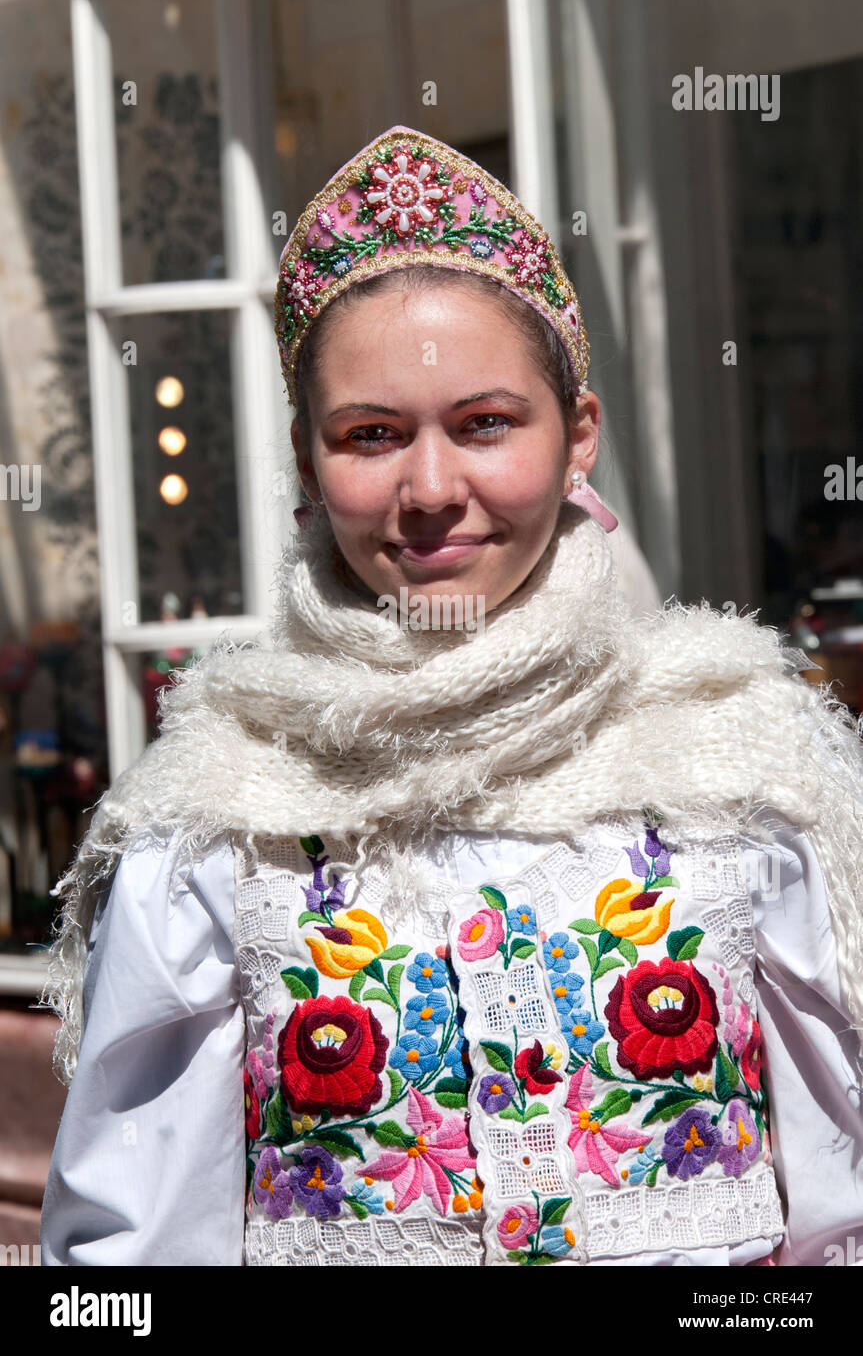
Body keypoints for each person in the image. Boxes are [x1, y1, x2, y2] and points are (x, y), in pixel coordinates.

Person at [39, 124, 863, 1267]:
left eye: (484, 423)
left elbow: (839, 1217)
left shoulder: (736, 765)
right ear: (307, 460)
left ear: (576, 435)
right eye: (371, 435)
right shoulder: (221, 812)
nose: (430, 491)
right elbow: (133, 1257)